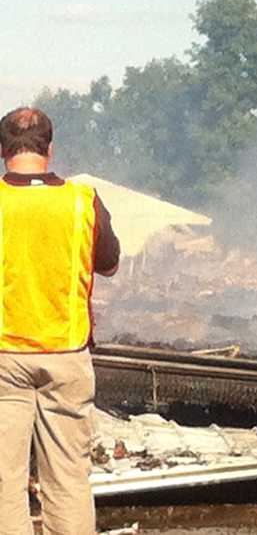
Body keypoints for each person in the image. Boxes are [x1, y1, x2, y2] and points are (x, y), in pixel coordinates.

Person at [0, 107, 120, 535]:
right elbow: (107, 263)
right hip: (68, 354)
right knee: (69, 480)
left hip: (4, 357)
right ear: (49, 150)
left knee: (4, 484)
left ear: (2, 151)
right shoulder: (81, 201)